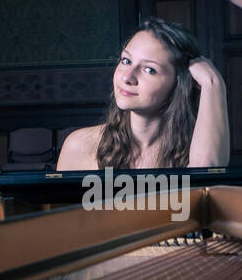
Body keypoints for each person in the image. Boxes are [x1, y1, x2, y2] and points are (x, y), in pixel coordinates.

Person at [56, 17, 229, 169]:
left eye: (149, 69)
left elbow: (205, 175)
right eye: (126, 60)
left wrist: (213, 84)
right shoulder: (79, 145)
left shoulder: (199, 148)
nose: (127, 77)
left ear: (179, 84)